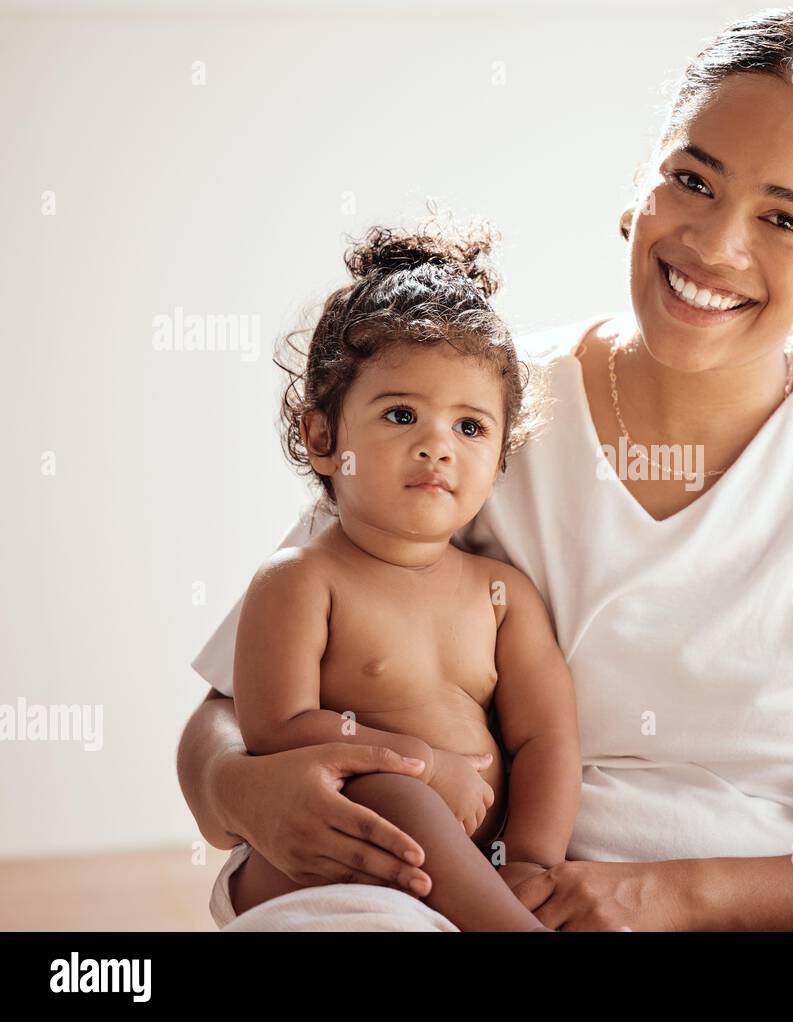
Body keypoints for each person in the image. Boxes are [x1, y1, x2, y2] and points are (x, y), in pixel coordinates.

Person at [178, 8, 793, 931]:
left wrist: (675, 893)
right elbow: (233, 701)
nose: (712, 243)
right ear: (644, 179)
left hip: (780, 914)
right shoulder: (475, 404)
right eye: (692, 179)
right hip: (483, 899)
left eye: (784, 218)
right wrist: (235, 791)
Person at [221, 219, 582, 931]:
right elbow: (274, 728)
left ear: (502, 455)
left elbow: (548, 738)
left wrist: (533, 858)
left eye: (470, 428)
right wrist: (422, 764)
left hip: (465, 875)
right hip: (327, 857)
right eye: (401, 414)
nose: (436, 447)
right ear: (323, 438)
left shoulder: (499, 593)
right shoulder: (300, 581)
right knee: (390, 789)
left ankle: (499, 908)